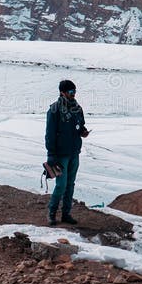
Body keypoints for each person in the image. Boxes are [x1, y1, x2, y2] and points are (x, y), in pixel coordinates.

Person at [45, 79, 89, 226]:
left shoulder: (77, 108)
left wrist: (83, 131)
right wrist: (51, 155)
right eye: (71, 92)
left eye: (75, 91)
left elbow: (80, 125)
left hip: (74, 152)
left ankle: (66, 214)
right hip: (60, 155)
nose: (73, 94)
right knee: (61, 185)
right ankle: (51, 213)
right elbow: (50, 134)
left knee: (70, 184)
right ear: (62, 92)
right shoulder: (54, 110)